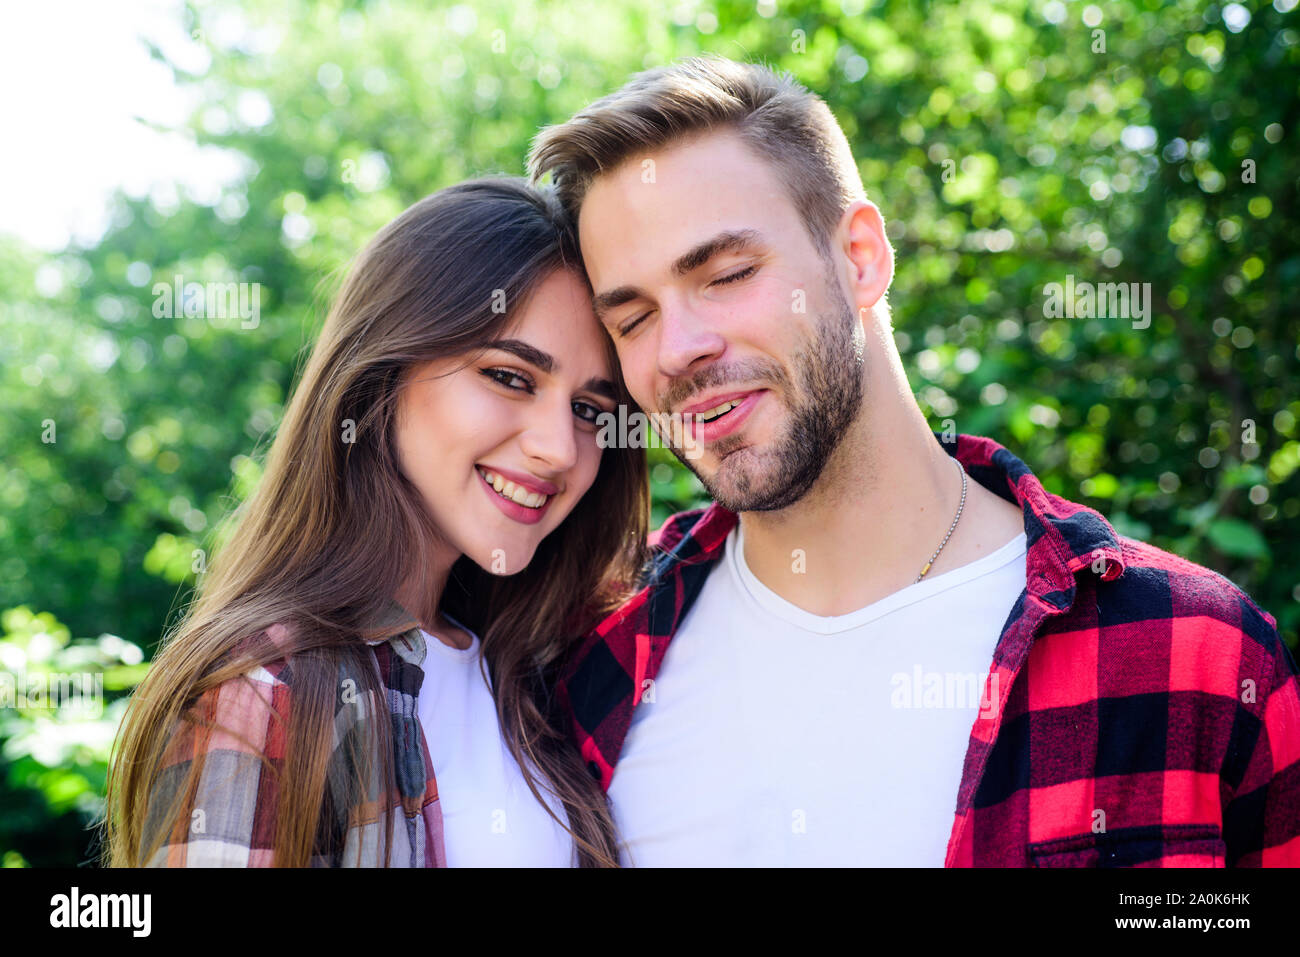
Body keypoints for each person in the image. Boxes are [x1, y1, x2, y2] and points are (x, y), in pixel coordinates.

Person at [527, 54, 1300, 866]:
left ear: (860, 257)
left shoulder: (1192, 653)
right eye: (633, 317)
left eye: (727, 274)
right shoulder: (584, 647)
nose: (679, 349)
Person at [101, 178, 648, 867]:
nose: (558, 447)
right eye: (509, 376)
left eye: (590, 410)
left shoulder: (535, 676)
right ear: (384, 372)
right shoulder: (263, 696)